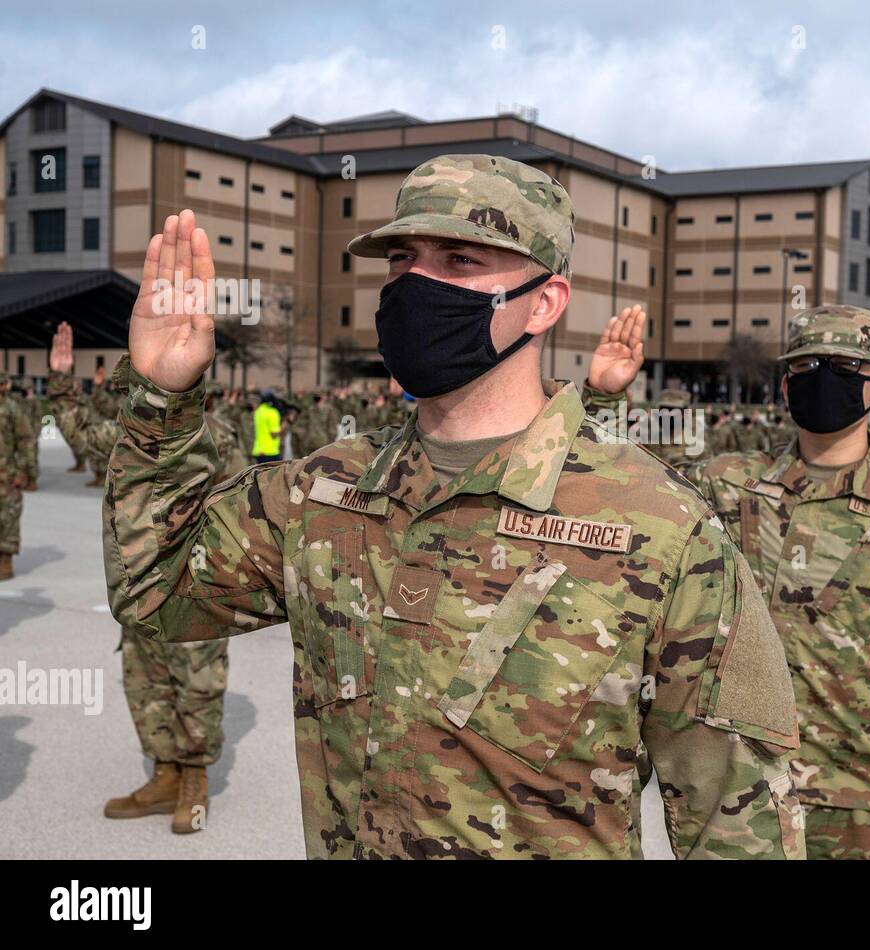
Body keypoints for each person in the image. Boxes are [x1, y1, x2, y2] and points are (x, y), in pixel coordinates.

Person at [103, 155, 804, 860]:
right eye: (402, 258)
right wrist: (161, 403)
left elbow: (738, 826)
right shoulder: (321, 493)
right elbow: (155, 593)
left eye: (461, 260)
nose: (416, 285)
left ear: (544, 302)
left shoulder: (663, 527)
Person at [584, 304, 870, 860]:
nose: (824, 380)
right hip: (742, 802)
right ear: (784, 384)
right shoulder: (728, 484)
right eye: (806, 367)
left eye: (846, 368)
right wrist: (604, 397)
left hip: (869, 800)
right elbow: (617, 486)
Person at [48, 321, 243, 833]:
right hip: (139, 590)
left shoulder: (216, 433)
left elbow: (238, 509)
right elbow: (76, 431)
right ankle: (164, 774)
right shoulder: (125, 435)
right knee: (147, 684)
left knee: (196, 685)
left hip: (197, 590)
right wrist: (61, 382)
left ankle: (194, 780)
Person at [0, 376, 34, 581]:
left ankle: (5, 559)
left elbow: (26, 440)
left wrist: (24, 471)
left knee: (9, 516)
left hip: (6, 473)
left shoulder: (12, 408)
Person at [252, 389, 283, 464]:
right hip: (270, 452)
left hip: (258, 451)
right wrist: (286, 423)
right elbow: (274, 434)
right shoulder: (273, 413)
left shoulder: (258, 411)